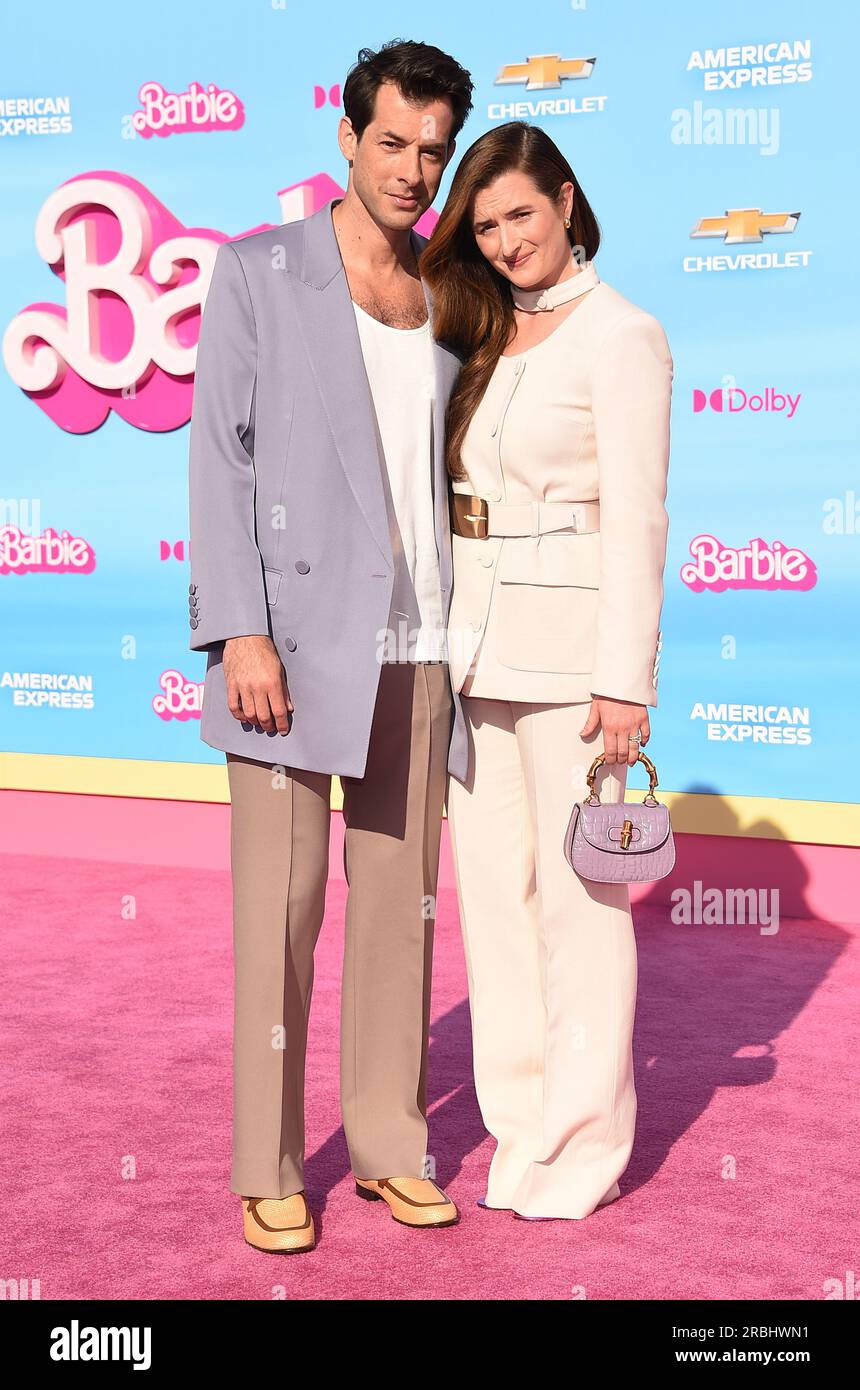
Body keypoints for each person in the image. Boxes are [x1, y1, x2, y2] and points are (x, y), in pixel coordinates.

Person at [187, 40, 474, 1253]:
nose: (413, 170)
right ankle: (266, 1164)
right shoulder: (259, 272)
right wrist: (239, 628)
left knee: (401, 913)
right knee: (284, 913)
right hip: (290, 649)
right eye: (393, 143)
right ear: (346, 140)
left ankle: (386, 1143)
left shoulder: (450, 297)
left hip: (416, 645)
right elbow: (219, 455)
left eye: (433, 150)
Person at [420, 121, 673, 1220]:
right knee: (496, 908)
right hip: (473, 656)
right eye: (484, 225)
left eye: (520, 213)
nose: (507, 240)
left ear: (565, 202)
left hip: (575, 669)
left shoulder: (621, 333)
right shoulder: (478, 331)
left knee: (582, 910)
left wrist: (626, 679)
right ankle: (517, 1131)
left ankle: (577, 1151)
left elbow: (637, 518)